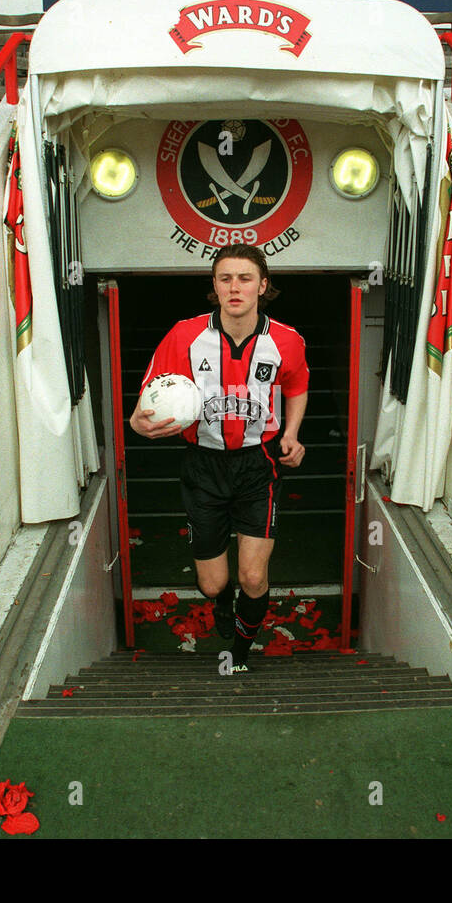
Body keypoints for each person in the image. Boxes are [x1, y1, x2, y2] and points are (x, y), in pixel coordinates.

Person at [130, 244, 308, 673]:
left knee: (253, 577)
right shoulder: (184, 336)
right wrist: (138, 422)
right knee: (213, 584)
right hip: (202, 467)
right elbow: (148, 398)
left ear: (263, 286)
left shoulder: (286, 340)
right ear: (214, 285)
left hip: (257, 466)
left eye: (245, 278)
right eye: (225, 278)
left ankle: (241, 655)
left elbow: (297, 384)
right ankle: (222, 603)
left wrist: (292, 434)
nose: (235, 287)